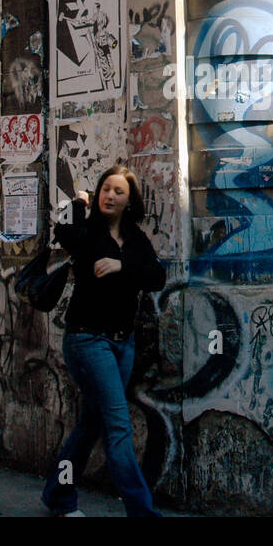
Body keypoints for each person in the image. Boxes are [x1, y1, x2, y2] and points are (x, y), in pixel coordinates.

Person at [41, 164, 166, 517]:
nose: (110, 196)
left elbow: (157, 275)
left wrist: (121, 266)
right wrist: (78, 204)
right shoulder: (88, 231)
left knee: (90, 424)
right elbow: (66, 233)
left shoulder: (135, 238)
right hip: (87, 340)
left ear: (130, 200)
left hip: (121, 344)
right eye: (105, 189)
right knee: (117, 424)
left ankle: (58, 495)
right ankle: (142, 511)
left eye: (119, 191)